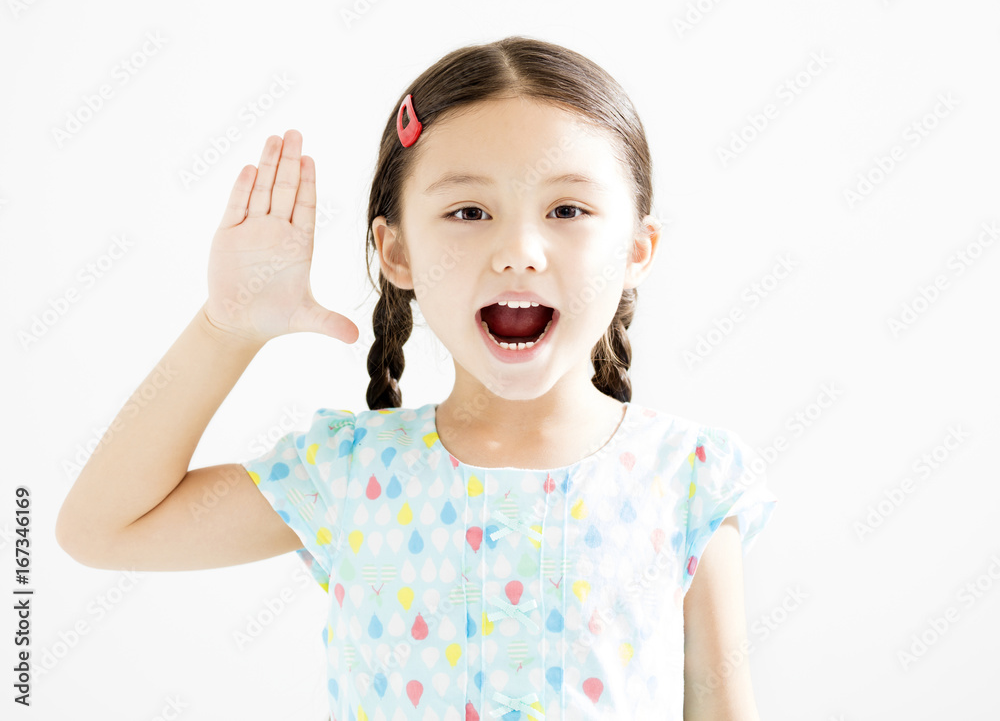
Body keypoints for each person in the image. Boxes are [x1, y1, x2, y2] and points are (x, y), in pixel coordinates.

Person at [56, 35, 778, 721]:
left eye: (567, 209)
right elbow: (103, 529)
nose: (519, 250)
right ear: (395, 253)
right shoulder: (348, 472)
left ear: (637, 249)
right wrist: (229, 327)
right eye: (468, 210)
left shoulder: (689, 478)